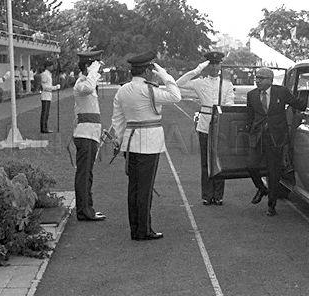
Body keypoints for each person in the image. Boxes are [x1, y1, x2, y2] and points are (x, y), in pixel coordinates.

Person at [111, 51, 181, 241]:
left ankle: (136, 228)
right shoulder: (149, 90)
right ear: (148, 71)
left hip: (130, 142)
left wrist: (117, 141)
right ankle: (143, 230)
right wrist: (164, 74)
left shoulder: (122, 90)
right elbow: (176, 95)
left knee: (134, 188)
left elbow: (117, 119)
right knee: (145, 189)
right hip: (149, 144)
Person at [246, 67, 307, 216]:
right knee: (251, 166)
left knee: (274, 172)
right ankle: (261, 188)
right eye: (256, 78)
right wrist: (250, 131)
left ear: (270, 80)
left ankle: (271, 206)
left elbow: (297, 103)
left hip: (276, 138)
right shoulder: (251, 95)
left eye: (261, 78)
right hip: (258, 136)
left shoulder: (281, 92)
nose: (257, 80)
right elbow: (250, 115)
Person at [176, 51, 235, 206]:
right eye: (211, 64)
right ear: (207, 66)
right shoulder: (200, 82)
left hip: (221, 124)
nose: (214, 67)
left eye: (217, 64)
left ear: (221, 65)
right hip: (204, 124)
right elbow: (178, 83)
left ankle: (218, 195)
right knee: (205, 162)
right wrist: (197, 70)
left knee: (220, 161)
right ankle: (207, 195)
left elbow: (229, 105)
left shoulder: (227, 84)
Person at [73, 49, 107, 222]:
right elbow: (88, 87)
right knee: (84, 174)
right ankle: (84, 211)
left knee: (88, 173)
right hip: (85, 135)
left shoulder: (88, 82)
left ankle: (88, 208)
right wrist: (92, 71)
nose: (99, 70)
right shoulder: (81, 83)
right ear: (88, 66)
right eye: (95, 65)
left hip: (90, 134)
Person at [39, 62, 59, 133]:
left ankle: (45, 127)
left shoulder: (48, 74)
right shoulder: (44, 74)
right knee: (45, 113)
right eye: (51, 66)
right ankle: (43, 128)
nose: (52, 68)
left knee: (47, 113)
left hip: (48, 95)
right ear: (47, 66)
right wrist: (55, 87)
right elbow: (44, 87)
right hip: (45, 95)